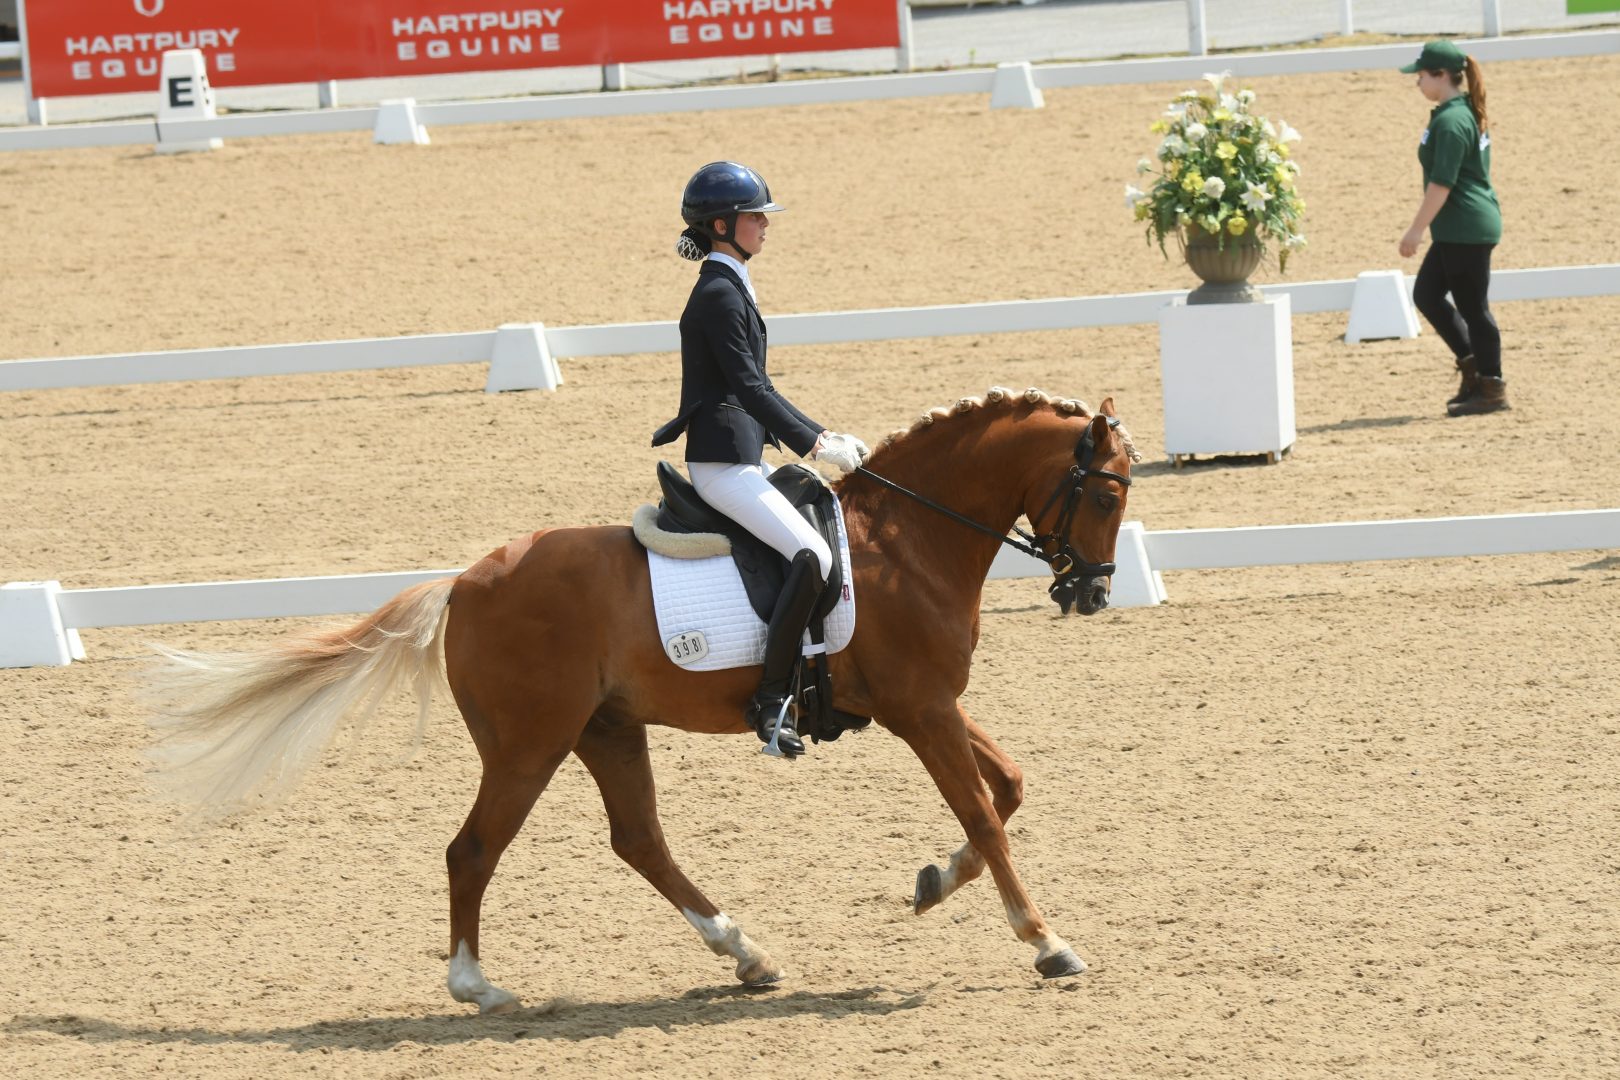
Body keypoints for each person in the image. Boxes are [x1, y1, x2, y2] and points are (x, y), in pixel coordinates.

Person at [652, 161, 868, 757]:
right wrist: (817, 443)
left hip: (742, 454)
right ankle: (772, 699)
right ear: (721, 225)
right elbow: (750, 387)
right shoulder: (718, 294)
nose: (765, 225)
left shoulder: (732, 281)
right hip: (723, 464)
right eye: (754, 217)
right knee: (811, 554)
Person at [1398, 39, 1507, 417]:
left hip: (1465, 226)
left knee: (1473, 308)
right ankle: (1473, 368)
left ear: (1442, 76)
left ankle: (1491, 387)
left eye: (1422, 76)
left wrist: (1415, 230)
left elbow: (1441, 184)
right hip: (1457, 227)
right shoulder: (1455, 112)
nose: (1418, 82)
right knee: (1427, 294)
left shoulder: (1451, 120)